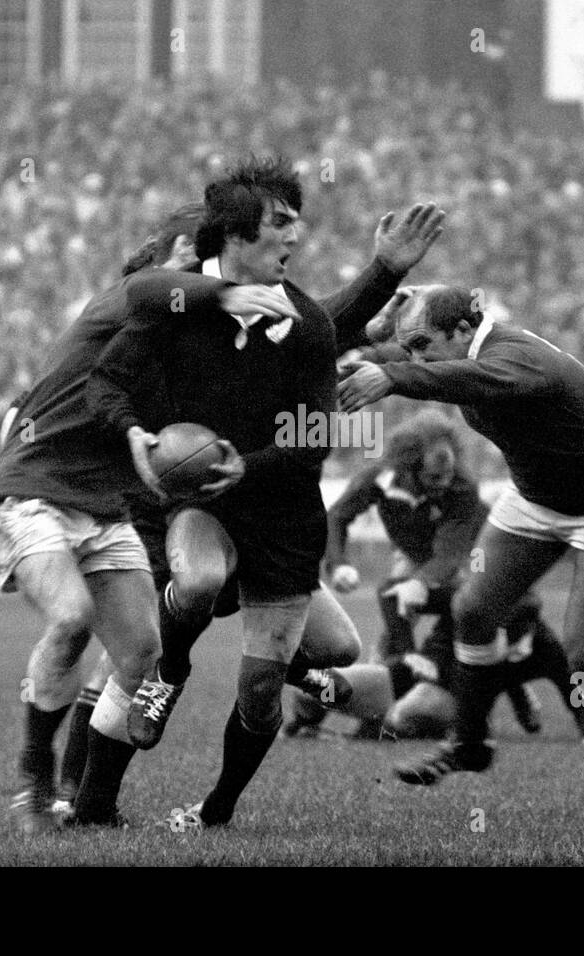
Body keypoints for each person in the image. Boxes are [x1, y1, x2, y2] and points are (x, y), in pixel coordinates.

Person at [46, 199, 445, 816]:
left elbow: (316, 328)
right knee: (136, 654)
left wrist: (379, 284)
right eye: (182, 258)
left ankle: (282, 698)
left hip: (260, 512)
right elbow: (125, 356)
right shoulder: (151, 310)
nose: (191, 267)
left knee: (335, 648)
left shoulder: (260, 310)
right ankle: (80, 795)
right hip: (166, 507)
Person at [0, 209, 304, 836]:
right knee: (71, 617)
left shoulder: (181, 347)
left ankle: (89, 800)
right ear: (186, 251)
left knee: (142, 652)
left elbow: (309, 326)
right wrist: (233, 291)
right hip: (33, 494)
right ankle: (34, 773)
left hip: (104, 509)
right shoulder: (131, 303)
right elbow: (151, 287)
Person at [338, 285, 584, 824]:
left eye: (424, 344)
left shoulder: (516, 358)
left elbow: (463, 378)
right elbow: (416, 361)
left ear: (465, 332)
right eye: (413, 348)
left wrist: (394, 376)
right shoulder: (459, 350)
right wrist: (366, 349)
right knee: (473, 611)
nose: (417, 357)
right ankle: (470, 745)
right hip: (539, 497)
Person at [288, 409, 583, 740]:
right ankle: (381, 708)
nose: (443, 484)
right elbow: (337, 516)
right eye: (433, 479)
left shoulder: (462, 488)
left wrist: (418, 584)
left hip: (471, 558)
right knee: (394, 632)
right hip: (416, 557)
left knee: (483, 620)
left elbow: (450, 556)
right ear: (408, 468)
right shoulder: (381, 478)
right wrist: (338, 562)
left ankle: (503, 684)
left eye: (448, 475)